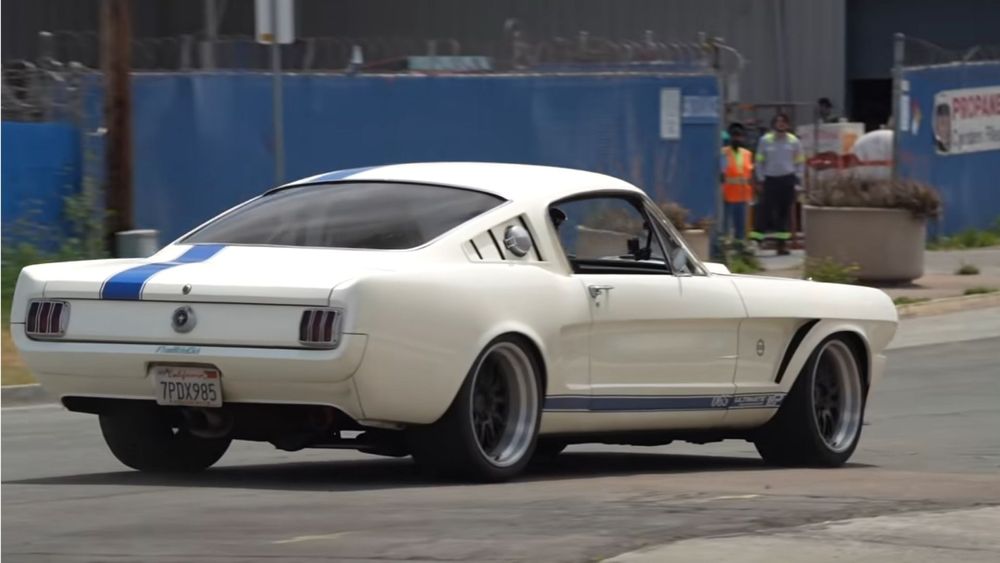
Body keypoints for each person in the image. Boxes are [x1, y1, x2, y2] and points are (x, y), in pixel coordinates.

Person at [752, 113, 804, 255]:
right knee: (764, 211)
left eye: (783, 121)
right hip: (770, 180)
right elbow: (759, 161)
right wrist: (760, 178)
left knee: (784, 213)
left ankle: (781, 246)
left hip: (787, 180)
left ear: (787, 124)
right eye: (778, 121)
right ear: (774, 124)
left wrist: (797, 181)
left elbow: (800, 163)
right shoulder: (765, 140)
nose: (781, 124)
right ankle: (756, 242)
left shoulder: (794, 141)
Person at [719, 123, 754, 240]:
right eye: (734, 136)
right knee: (726, 226)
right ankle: (726, 250)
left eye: (739, 136)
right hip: (728, 195)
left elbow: (749, 174)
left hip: (743, 195)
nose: (737, 139)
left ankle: (740, 248)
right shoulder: (724, 153)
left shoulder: (747, 154)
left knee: (742, 227)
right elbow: (721, 172)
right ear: (730, 137)